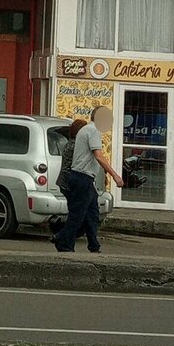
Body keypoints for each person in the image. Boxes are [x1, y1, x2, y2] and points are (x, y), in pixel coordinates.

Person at [54, 105, 124, 254]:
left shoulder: (86, 130)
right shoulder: (92, 130)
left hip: (83, 178)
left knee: (92, 213)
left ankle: (93, 245)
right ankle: (64, 242)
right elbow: (98, 156)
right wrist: (115, 175)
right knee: (77, 215)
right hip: (82, 177)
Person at [49, 118, 87, 241]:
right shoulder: (76, 146)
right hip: (70, 183)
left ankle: (67, 236)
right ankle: (61, 236)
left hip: (64, 182)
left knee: (77, 212)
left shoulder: (69, 143)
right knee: (76, 214)